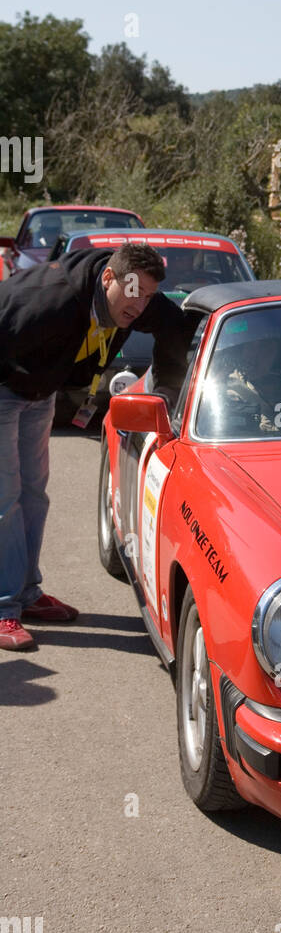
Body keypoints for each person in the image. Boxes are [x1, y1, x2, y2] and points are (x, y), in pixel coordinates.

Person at [0, 242, 194, 651]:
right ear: (109, 278)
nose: (139, 306)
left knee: (34, 495)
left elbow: (174, 325)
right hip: (3, 387)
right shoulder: (50, 300)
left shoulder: (134, 297)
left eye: (147, 295)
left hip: (39, 392)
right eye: (133, 293)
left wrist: (167, 395)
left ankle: (27, 594)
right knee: (5, 498)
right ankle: (4, 608)